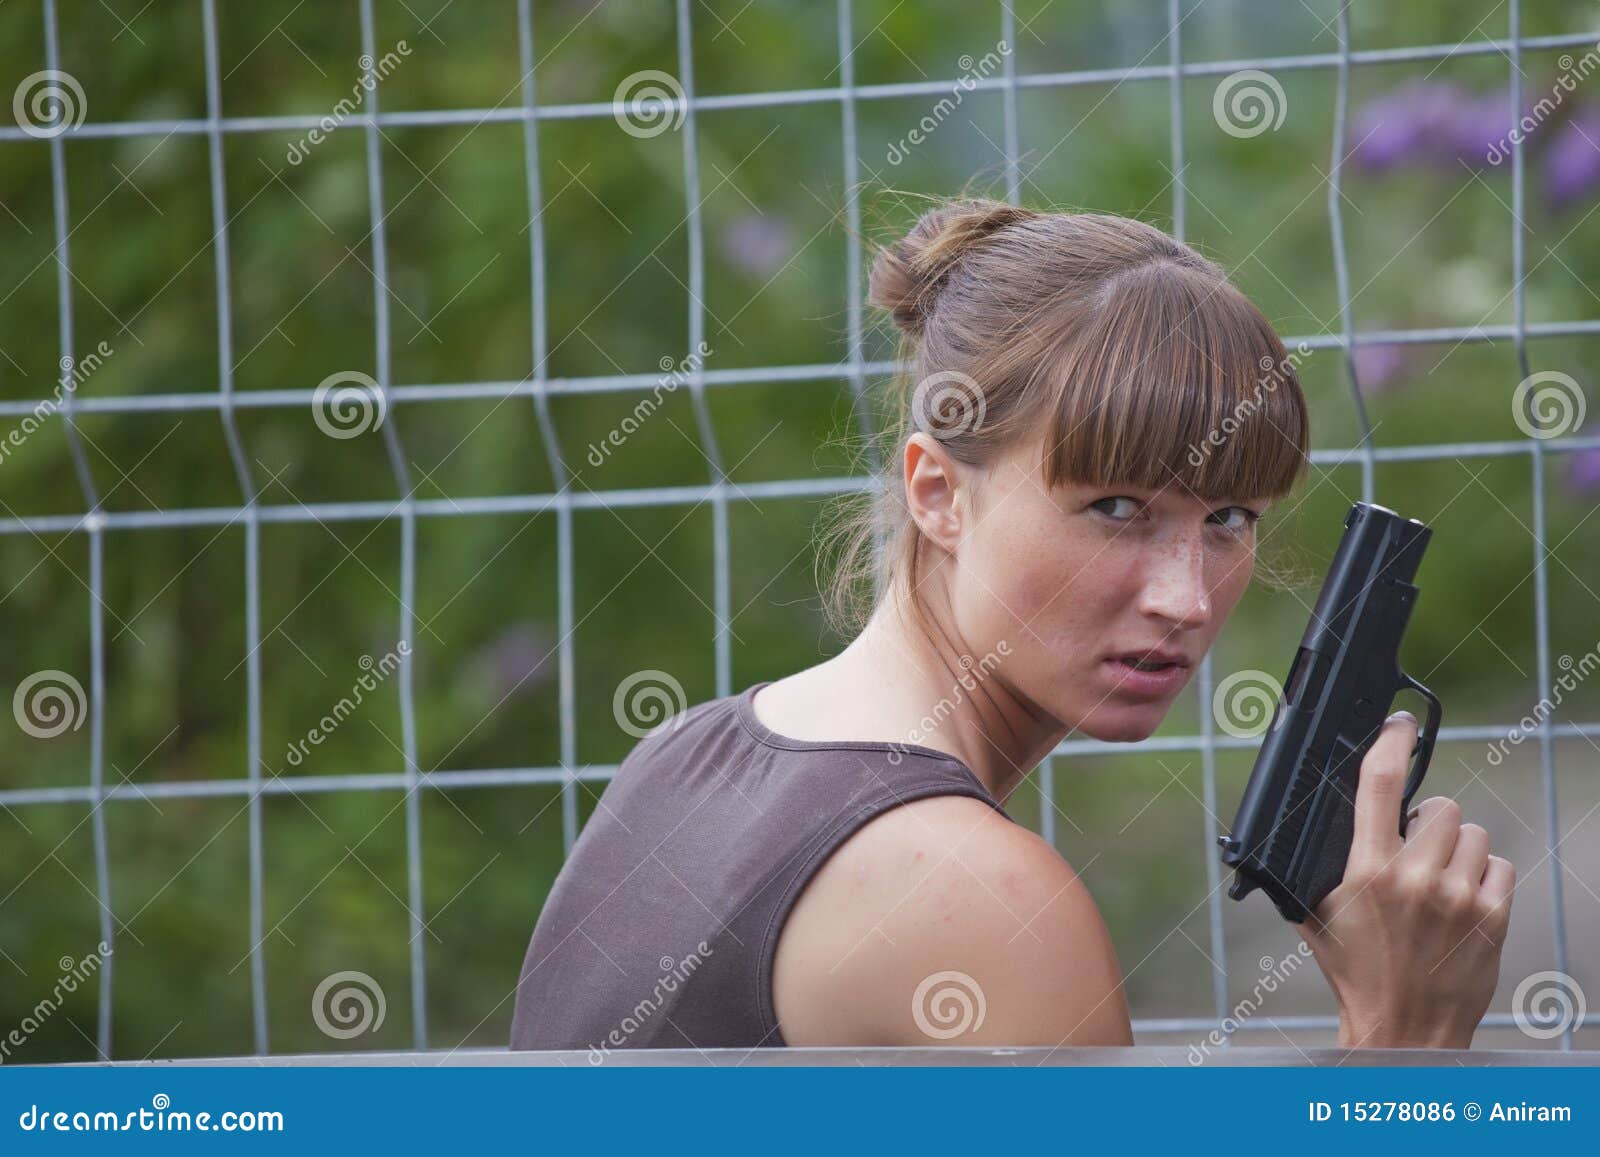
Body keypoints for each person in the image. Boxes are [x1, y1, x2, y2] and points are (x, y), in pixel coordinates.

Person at [508, 197, 1514, 1056]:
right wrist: (1399, 1043)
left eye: (1228, 519)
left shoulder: (682, 751)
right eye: (1115, 507)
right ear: (937, 493)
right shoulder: (974, 895)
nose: (1185, 596)